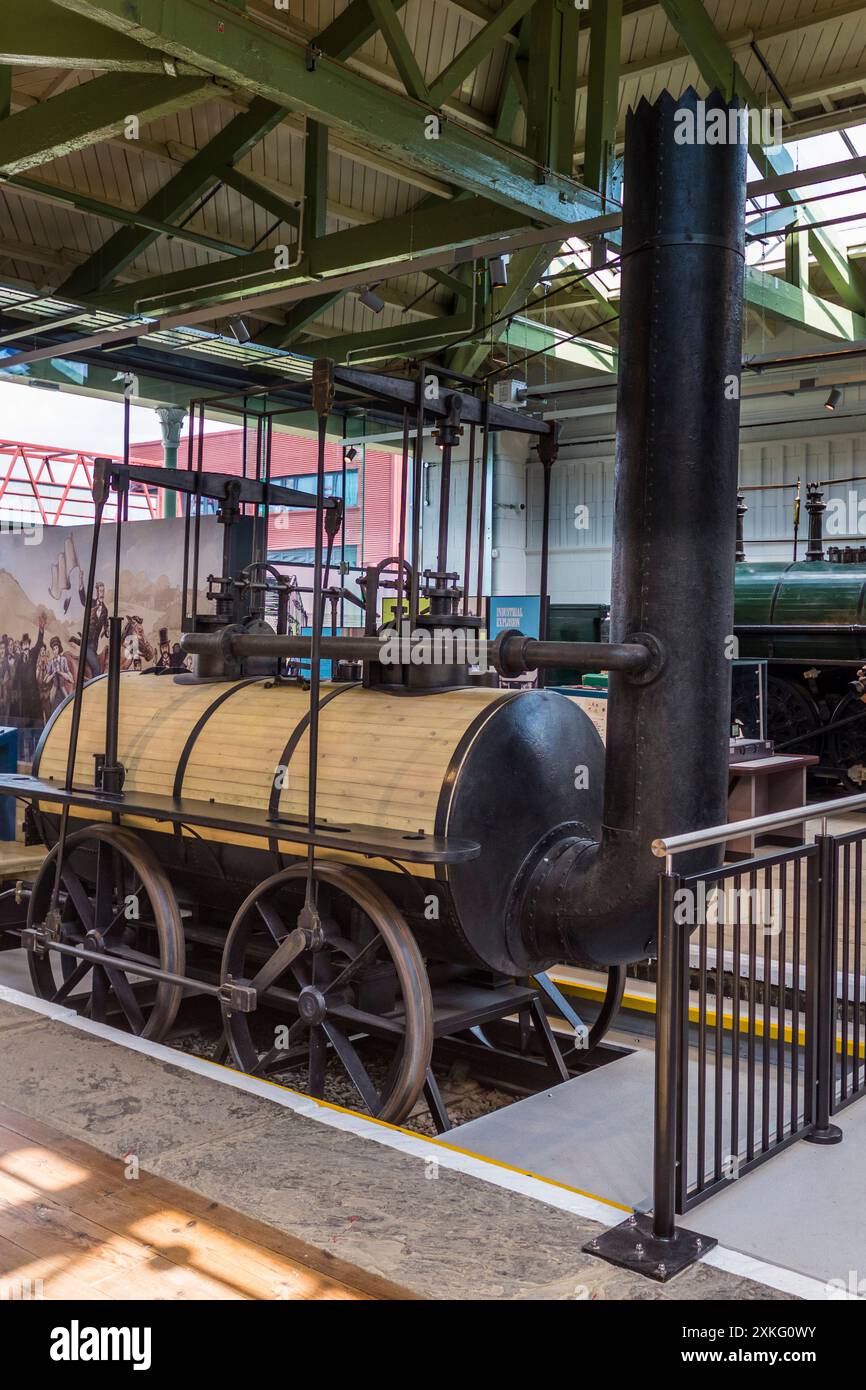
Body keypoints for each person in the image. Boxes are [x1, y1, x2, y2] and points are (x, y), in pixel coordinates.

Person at [13, 614, 46, 727]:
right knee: (26, 725)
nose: (26, 646)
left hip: (34, 697)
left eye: (27, 644)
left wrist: (41, 629)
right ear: (22, 647)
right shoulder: (19, 662)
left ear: (29, 645)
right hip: (25, 699)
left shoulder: (33, 654)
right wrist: (14, 693)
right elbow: (16, 679)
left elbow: (39, 643)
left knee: (37, 723)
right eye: (24, 644)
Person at [45, 636, 73, 712]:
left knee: (68, 703)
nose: (55, 651)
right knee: (51, 703)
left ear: (59, 648)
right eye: (53, 649)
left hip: (62, 687)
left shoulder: (63, 660)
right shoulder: (51, 662)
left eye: (56, 648)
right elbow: (46, 680)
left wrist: (60, 672)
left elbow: (69, 676)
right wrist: (53, 674)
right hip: (54, 688)